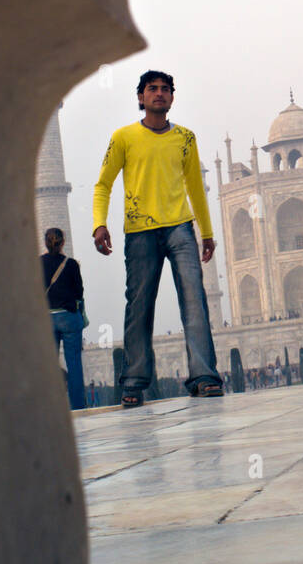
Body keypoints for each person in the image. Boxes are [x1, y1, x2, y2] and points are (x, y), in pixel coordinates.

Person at [92, 70, 223, 407]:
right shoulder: (123, 137)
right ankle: (134, 382)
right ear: (141, 97)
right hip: (139, 231)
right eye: (153, 89)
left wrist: (206, 233)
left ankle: (204, 377)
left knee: (195, 301)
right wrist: (99, 224)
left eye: (166, 89)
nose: (159, 94)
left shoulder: (186, 139)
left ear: (172, 97)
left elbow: (195, 188)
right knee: (139, 306)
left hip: (180, 227)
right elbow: (103, 184)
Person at [42, 227, 86, 411]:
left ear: (45, 242)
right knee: (74, 363)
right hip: (68, 316)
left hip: (47, 318)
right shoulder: (71, 264)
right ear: (63, 242)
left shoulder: (37, 263)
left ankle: (52, 407)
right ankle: (78, 407)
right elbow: (79, 292)